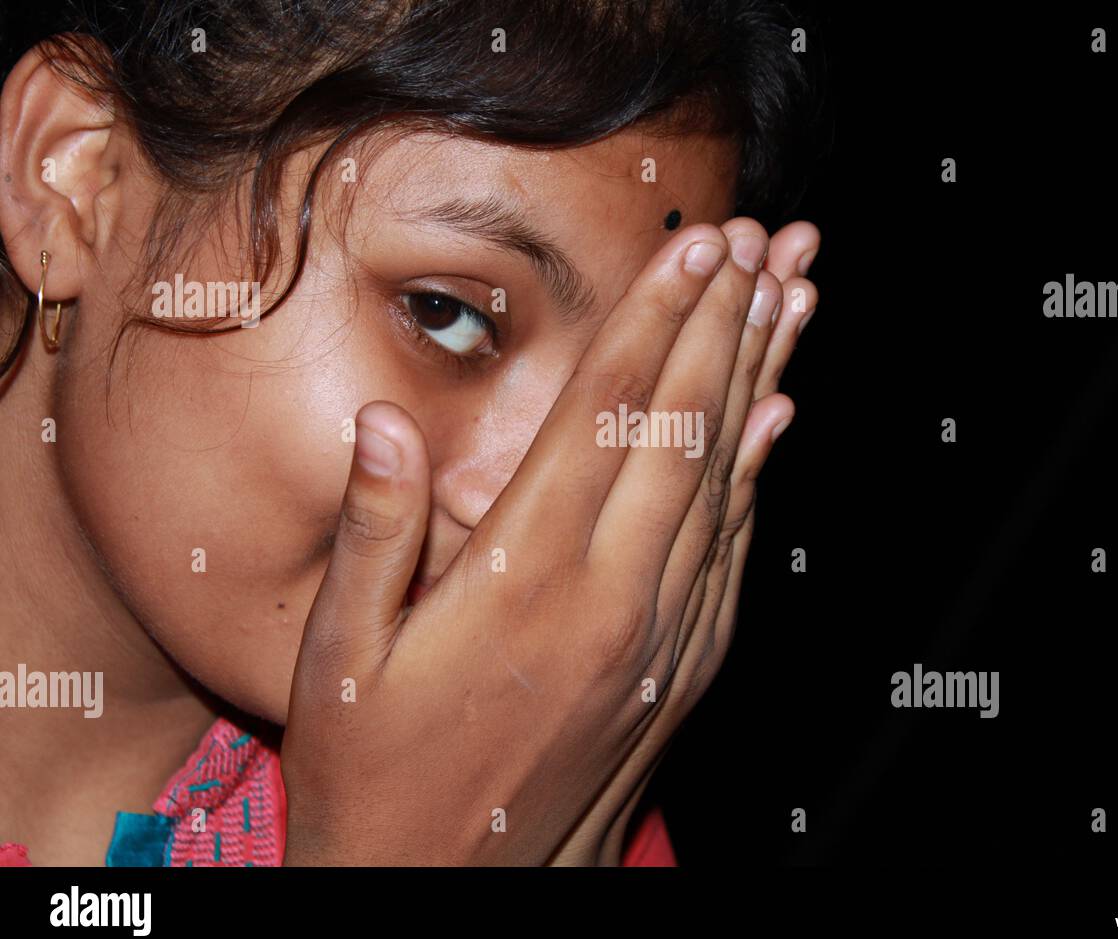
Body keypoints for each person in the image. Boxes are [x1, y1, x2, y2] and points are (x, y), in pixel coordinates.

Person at [0, 0, 823, 866]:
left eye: (619, 404)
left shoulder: (533, 800)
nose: (520, 507)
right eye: (446, 316)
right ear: (76, 176)